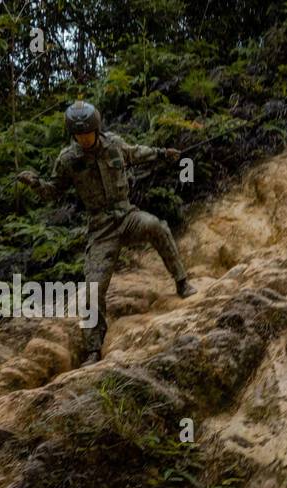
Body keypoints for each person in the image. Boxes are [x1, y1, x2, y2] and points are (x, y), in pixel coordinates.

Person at [18, 101, 196, 364]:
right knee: (92, 289)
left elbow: (136, 153)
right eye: (79, 135)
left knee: (157, 227)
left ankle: (182, 282)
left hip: (127, 215)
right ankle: (93, 348)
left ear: (96, 128)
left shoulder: (113, 144)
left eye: (87, 133)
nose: (84, 138)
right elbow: (53, 191)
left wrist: (163, 154)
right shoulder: (68, 160)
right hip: (101, 229)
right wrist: (34, 183)